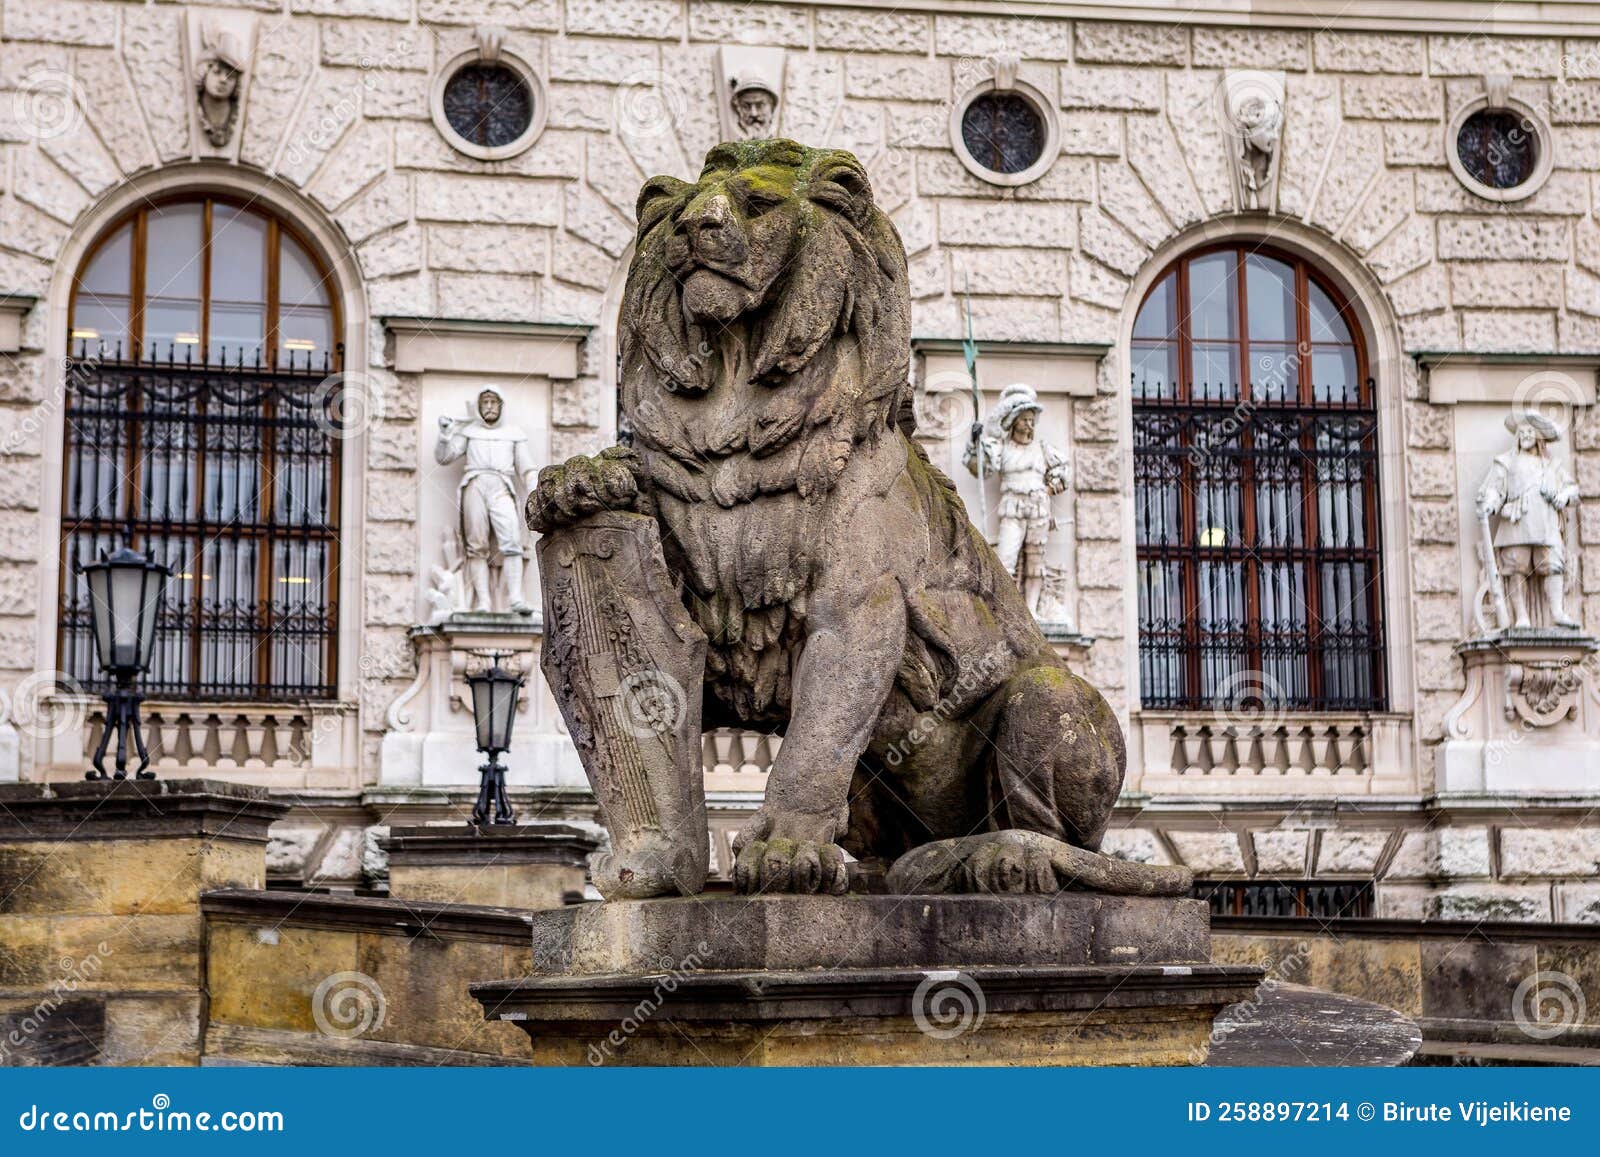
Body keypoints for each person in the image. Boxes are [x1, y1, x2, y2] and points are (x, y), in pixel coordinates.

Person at [964, 383, 1070, 614]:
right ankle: (1004, 609)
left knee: (1035, 564)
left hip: (1038, 509)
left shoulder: (1042, 449)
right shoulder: (1002, 448)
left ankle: (1031, 611)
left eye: (1032, 419)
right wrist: (975, 443)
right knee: (1005, 560)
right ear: (1014, 421)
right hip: (1012, 508)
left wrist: (1047, 490)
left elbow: (1063, 473)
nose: (1030, 424)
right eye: (1025, 419)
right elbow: (980, 468)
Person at [435, 387, 537, 615]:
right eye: (485, 402)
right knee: (476, 545)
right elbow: (444, 457)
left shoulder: (514, 433)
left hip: (501, 486)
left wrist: (535, 489)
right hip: (475, 484)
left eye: (493, 402)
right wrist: (444, 435)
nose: (489, 406)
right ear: (479, 407)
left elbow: (527, 469)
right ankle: (483, 602)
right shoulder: (469, 432)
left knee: (512, 541)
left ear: (501, 405)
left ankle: (516, 599)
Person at [1476, 410, 1580, 630]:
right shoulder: (1505, 462)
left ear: (1539, 436)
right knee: (1517, 565)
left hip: (1546, 525)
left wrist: (1562, 496)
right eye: (1521, 431)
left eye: (1529, 431)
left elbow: (1572, 489)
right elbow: (1495, 489)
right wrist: (1490, 504)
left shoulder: (1552, 465)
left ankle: (1557, 611)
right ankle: (1521, 615)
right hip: (1516, 523)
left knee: (1552, 564)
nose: (1524, 434)